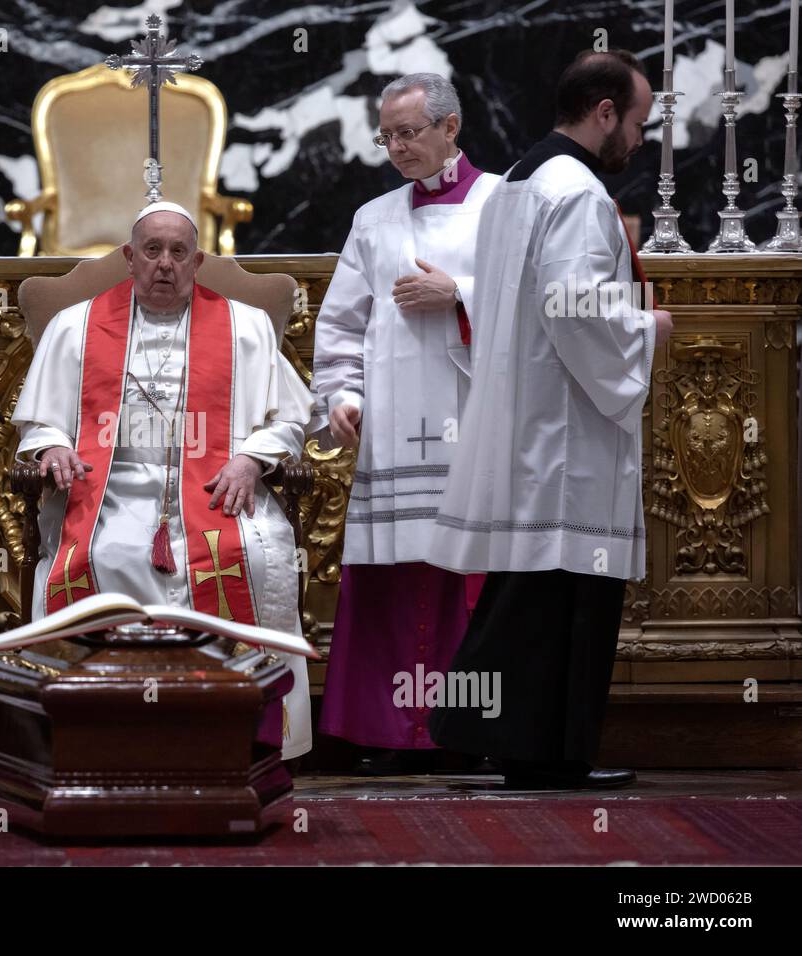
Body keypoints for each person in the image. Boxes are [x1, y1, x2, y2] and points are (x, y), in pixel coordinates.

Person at [426, 50, 673, 789]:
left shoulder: (516, 184)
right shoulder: (579, 194)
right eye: (636, 122)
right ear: (603, 113)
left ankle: (527, 746)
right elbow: (577, 315)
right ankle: (542, 752)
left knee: (534, 590)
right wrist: (645, 327)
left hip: (530, 416)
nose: (639, 138)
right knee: (563, 594)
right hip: (569, 430)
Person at [12, 202, 315, 760]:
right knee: (103, 553)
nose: (165, 264)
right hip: (110, 490)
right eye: (152, 250)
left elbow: (291, 418)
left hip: (219, 488)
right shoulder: (75, 326)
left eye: (179, 252)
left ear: (197, 261)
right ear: (130, 257)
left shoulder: (244, 326)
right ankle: (100, 738)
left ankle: (235, 742)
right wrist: (53, 445)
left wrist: (251, 460)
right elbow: (40, 419)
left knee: (245, 552)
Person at [312, 73, 498, 773]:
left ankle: (469, 735)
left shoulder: (502, 205)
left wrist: (461, 296)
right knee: (391, 583)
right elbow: (340, 327)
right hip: (393, 433)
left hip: (475, 427)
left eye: (409, 132)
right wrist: (340, 395)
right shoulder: (374, 218)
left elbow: (535, 310)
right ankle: (385, 735)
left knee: (467, 583)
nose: (396, 147)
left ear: (451, 128)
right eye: (386, 135)